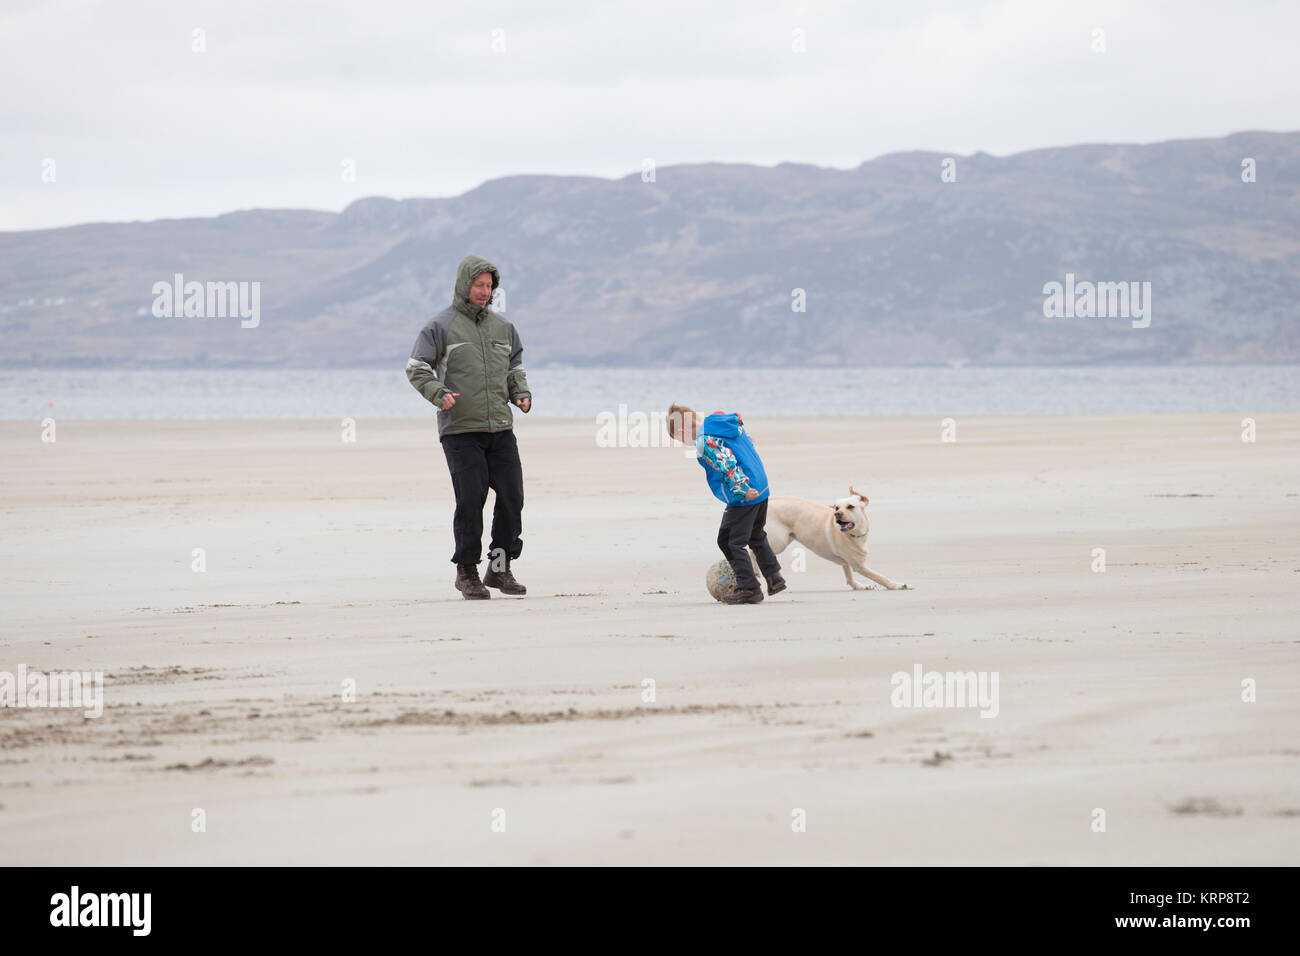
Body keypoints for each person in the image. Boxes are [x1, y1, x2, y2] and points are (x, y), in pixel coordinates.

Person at [406, 255, 532, 600]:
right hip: (460, 430)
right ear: (465, 284)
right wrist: (439, 394)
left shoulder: (503, 328)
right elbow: (417, 367)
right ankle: (466, 572)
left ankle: (500, 568)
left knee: (511, 497)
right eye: (479, 285)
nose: (484, 291)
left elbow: (514, 367)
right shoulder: (440, 326)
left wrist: (520, 394)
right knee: (471, 499)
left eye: (490, 286)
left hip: (500, 429)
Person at [667, 404, 785, 604]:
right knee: (756, 535)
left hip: (744, 494)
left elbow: (727, 464)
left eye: (681, 440)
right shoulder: (722, 422)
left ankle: (749, 588)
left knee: (730, 541)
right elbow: (743, 442)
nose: (686, 443)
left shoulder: (705, 441)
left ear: (682, 431)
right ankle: (774, 576)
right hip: (761, 487)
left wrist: (742, 489)